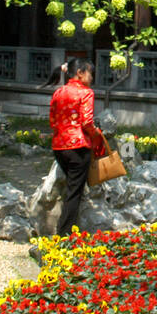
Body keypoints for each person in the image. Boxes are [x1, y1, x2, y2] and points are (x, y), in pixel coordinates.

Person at [46, 58, 102, 232]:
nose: (91, 77)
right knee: (74, 193)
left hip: (59, 147)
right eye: (90, 73)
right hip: (78, 147)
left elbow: (53, 121)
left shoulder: (59, 92)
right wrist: (97, 136)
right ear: (80, 73)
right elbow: (86, 122)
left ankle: (64, 228)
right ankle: (65, 232)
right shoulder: (86, 93)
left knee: (71, 189)